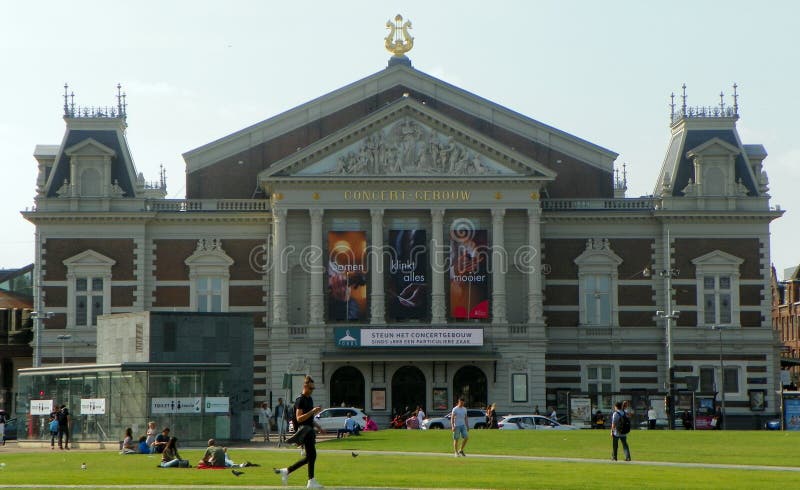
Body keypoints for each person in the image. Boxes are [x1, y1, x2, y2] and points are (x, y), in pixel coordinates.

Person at [274, 375, 323, 488]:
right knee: (312, 455)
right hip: (304, 431)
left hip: (310, 430)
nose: (312, 390)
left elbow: (310, 418)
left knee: (310, 457)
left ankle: (287, 471)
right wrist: (312, 411)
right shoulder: (300, 400)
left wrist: (318, 427)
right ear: (305, 387)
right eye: (310, 388)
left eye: (313, 388)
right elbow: (299, 418)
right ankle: (310, 480)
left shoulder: (309, 399)